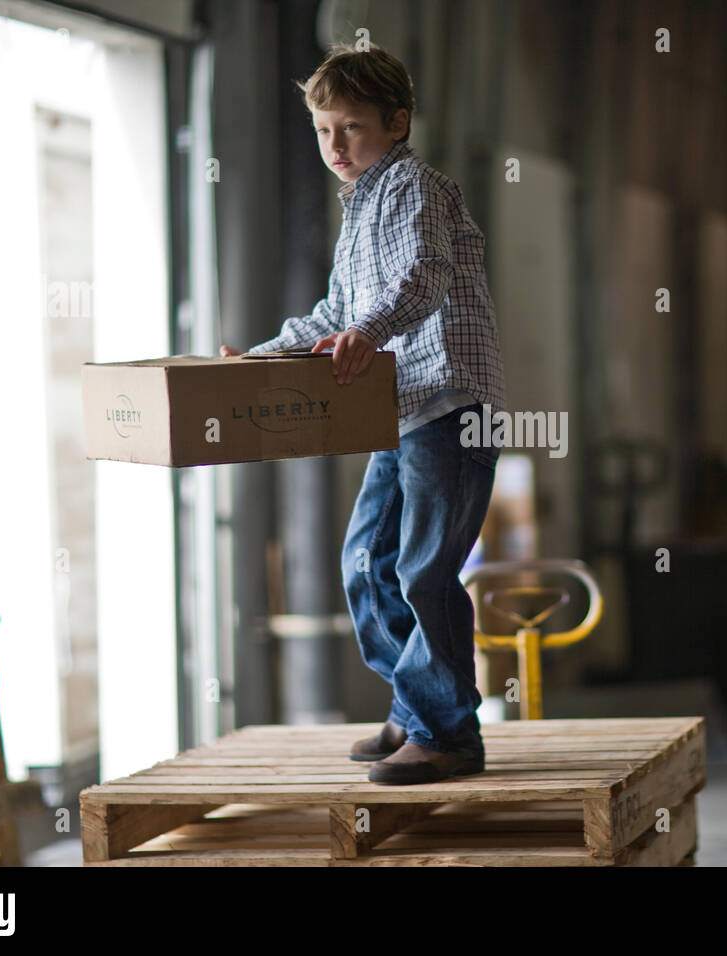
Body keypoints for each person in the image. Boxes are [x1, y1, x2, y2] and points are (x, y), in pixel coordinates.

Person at [220, 44, 505, 785]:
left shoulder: (416, 187)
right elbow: (332, 315)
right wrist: (255, 358)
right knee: (365, 564)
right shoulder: (356, 215)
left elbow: (426, 275)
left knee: (424, 573)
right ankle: (417, 709)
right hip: (398, 408)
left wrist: (369, 333)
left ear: (397, 122)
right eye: (322, 131)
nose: (335, 146)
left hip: (449, 404)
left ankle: (448, 735)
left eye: (351, 128)